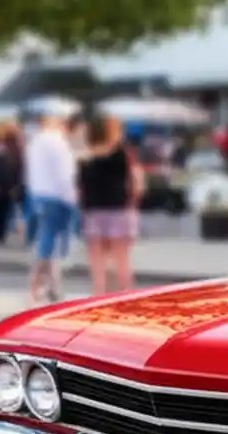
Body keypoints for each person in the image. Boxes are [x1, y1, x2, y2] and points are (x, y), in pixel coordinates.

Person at [78, 115, 141, 296]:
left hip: (93, 212)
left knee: (98, 265)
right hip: (118, 211)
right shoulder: (121, 155)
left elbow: (80, 188)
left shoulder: (85, 158)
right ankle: (126, 299)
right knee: (121, 262)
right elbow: (136, 184)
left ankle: (99, 298)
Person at [24, 110, 78, 305]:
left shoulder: (35, 141)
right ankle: (35, 287)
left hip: (39, 193)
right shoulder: (59, 143)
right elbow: (66, 174)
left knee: (47, 242)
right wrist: (72, 197)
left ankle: (53, 288)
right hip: (58, 196)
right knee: (48, 244)